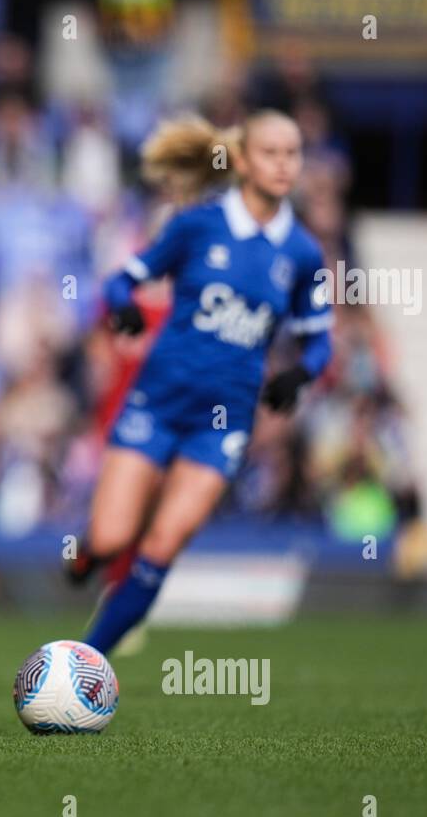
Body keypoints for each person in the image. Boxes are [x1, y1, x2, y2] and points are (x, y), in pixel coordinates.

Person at [66, 110, 333, 654]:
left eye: (293, 153)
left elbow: (319, 340)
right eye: (271, 153)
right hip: (157, 403)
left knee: (165, 542)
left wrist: (300, 373)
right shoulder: (197, 225)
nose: (284, 165)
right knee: (114, 535)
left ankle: (89, 656)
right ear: (240, 159)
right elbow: (122, 280)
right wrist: (125, 309)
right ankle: (88, 554)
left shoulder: (302, 254)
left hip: (223, 423)